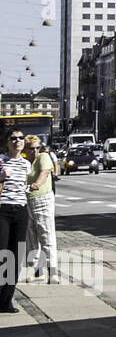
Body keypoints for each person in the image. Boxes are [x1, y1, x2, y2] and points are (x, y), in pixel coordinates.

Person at [0, 129, 32, 313]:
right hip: (3, 210)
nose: (17, 141)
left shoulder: (26, 164)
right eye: (13, 138)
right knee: (3, 255)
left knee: (16, 257)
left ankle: (6, 301)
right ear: (7, 142)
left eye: (20, 138)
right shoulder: (1, 160)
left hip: (20, 211)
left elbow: (25, 186)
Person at [24, 136, 56, 283]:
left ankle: (53, 272)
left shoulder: (43, 157)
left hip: (42, 199)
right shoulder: (24, 162)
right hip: (27, 201)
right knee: (31, 238)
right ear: (25, 149)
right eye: (31, 148)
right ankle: (37, 272)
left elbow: (45, 173)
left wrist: (36, 184)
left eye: (37, 147)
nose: (35, 151)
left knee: (46, 235)